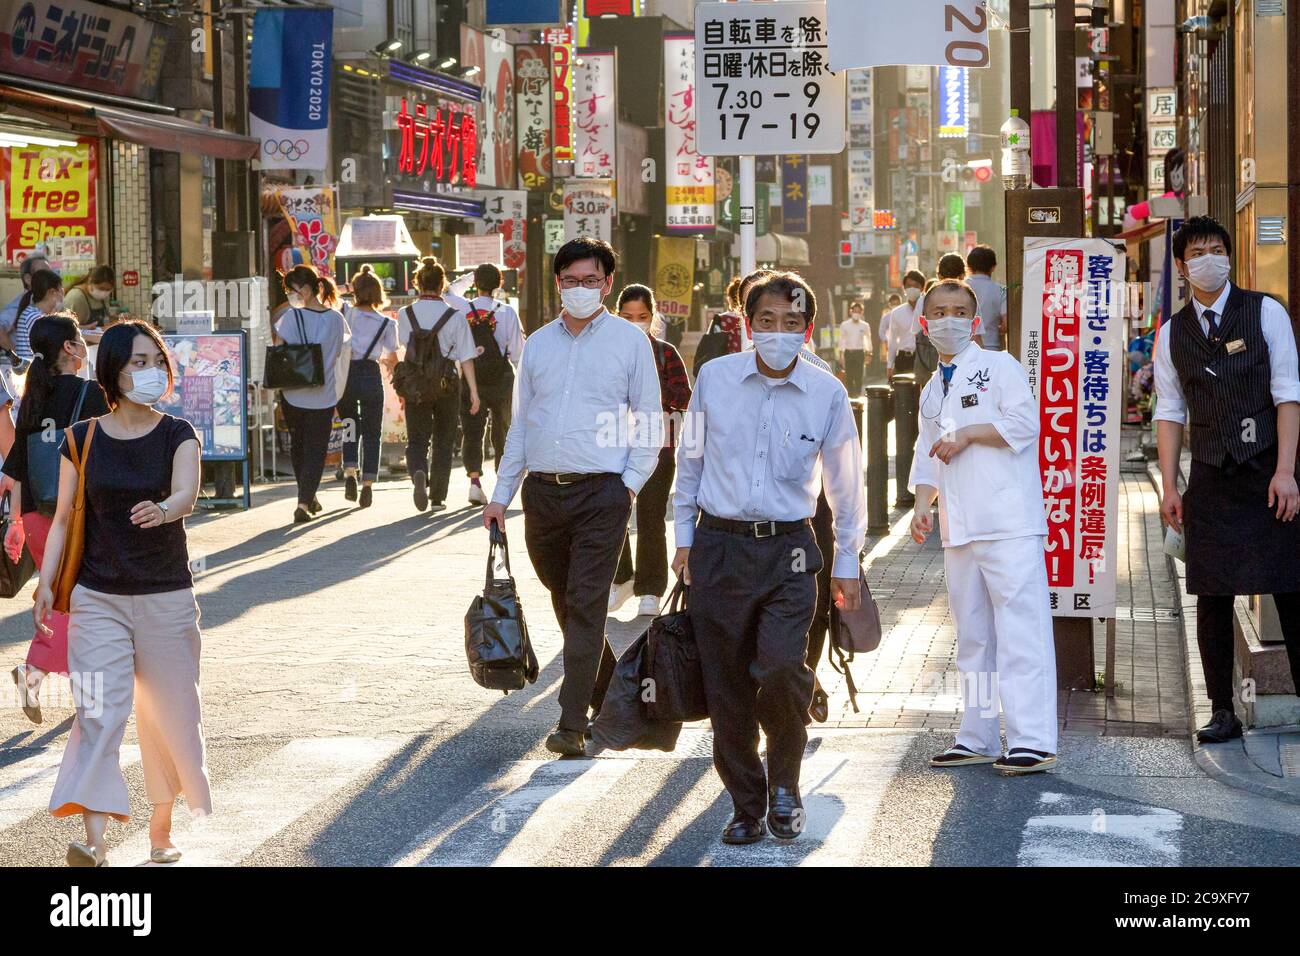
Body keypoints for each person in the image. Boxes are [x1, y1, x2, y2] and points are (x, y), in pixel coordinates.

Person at [672, 271, 866, 845]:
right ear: (747, 324)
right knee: (726, 684)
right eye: (766, 322)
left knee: (783, 670)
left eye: (790, 323)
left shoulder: (827, 392)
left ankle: (785, 782)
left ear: (807, 328)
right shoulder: (714, 378)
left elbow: (846, 487)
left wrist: (848, 564)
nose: (777, 333)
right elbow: (691, 462)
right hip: (718, 546)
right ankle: (747, 804)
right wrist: (683, 536)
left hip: (790, 551)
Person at [32, 319, 210, 866]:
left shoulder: (178, 433)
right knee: (97, 712)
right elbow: (62, 519)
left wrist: (164, 510)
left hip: (166, 598)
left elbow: (188, 492)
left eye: (155, 359)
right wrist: (45, 582)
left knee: (169, 715)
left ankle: (161, 827)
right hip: (96, 599)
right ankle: (94, 841)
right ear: (112, 369)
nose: (150, 370)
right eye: (137, 361)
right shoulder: (80, 438)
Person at [481, 237, 661, 757]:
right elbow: (521, 425)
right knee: (565, 600)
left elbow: (649, 421)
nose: (579, 289)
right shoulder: (537, 344)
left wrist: (628, 484)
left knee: (586, 606)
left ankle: (572, 722)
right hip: (542, 496)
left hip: (602, 493)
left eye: (590, 280)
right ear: (557, 282)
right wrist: (500, 495)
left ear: (606, 283)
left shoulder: (630, 343)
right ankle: (611, 693)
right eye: (569, 280)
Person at [1154, 215, 1300, 744]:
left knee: (1290, 585)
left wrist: (1286, 471)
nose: (1208, 259)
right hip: (1211, 473)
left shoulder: (1265, 312)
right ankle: (1222, 710)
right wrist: (1171, 487)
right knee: (1210, 594)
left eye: (1217, 249)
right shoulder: (1172, 333)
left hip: (1267, 469)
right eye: (1197, 253)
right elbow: (1169, 413)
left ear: (1230, 256)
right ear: (1182, 265)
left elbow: (1287, 393)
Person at [907, 279, 1057, 774]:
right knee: (973, 635)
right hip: (960, 526)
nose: (947, 319)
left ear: (974, 322)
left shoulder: (999, 367)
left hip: (1008, 521)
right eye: (938, 311)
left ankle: (1031, 738)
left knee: (1020, 631)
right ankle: (977, 735)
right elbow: (926, 453)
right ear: (924, 323)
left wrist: (969, 432)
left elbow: (1024, 424)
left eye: (958, 310)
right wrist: (923, 504)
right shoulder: (931, 388)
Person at [5, 315, 110, 723]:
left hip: (34, 514)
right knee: (81, 602)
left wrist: (15, 522)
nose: (84, 346)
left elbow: (16, 465)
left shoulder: (33, 397)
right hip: (75, 514)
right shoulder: (92, 394)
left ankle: (74, 689)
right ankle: (37, 675)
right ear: (68, 348)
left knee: (62, 598)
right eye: (80, 339)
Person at [609, 284, 691, 617]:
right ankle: (622, 578)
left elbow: (684, 396)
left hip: (659, 445)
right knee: (613, 513)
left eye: (642, 316)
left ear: (652, 316)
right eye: (627, 317)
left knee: (651, 515)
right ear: (617, 316)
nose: (635, 322)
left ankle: (650, 589)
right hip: (612, 444)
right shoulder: (607, 351)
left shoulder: (665, 353)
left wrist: (652, 393)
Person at [399, 257, 480, 512]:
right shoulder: (455, 316)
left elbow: (404, 347)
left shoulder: (404, 314)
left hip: (416, 384)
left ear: (418, 283)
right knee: (444, 440)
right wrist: (474, 394)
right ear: (442, 283)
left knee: (416, 439)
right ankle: (437, 498)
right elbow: (466, 357)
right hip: (447, 383)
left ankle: (419, 472)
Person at [275, 264, 351, 524]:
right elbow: (340, 353)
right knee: (316, 449)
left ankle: (305, 495)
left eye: (291, 291)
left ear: (306, 290)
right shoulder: (336, 319)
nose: (289, 296)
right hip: (324, 393)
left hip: (292, 392)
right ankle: (305, 500)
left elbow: (278, 350)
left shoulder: (289, 317)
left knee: (298, 446)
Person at [462, 263, 525, 507]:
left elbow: (448, 293)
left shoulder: (463, 310)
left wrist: (466, 279)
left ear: (476, 283)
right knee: (504, 429)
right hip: (501, 377)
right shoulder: (507, 311)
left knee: (472, 430)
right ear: (499, 284)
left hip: (471, 377)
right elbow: (518, 352)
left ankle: (475, 483)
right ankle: (502, 479)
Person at [338, 266, 398, 509]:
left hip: (348, 374)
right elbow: (392, 356)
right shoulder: (386, 323)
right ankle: (368, 484)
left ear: (355, 290)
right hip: (371, 374)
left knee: (350, 425)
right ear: (377, 292)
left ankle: (350, 470)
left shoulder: (344, 313)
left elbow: (327, 294)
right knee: (373, 432)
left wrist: (346, 287)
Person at [0, 253, 51, 352]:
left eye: (50, 273)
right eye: (43, 274)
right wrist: (19, 357)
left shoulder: (46, 302)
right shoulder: (21, 304)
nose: (50, 278)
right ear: (28, 279)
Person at [14, 270, 66, 362]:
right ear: (52, 292)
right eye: (61, 288)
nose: (63, 293)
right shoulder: (35, 317)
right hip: (34, 371)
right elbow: (53, 346)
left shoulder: (36, 314)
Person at [885, 270, 926, 378]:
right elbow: (892, 340)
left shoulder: (929, 310)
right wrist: (890, 364)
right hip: (903, 358)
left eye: (916, 286)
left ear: (922, 288)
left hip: (923, 357)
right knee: (903, 393)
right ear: (904, 289)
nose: (912, 288)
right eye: (909, 286)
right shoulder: (897, 313)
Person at [966, 245, 1008, 352]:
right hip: (992, 348)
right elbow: (1006, 325)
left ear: (969, 266)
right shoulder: (1001, 290)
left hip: (964, 348)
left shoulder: (961, 287)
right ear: (993, 267)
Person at [63, 266, 115, 340]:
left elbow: (105, 319)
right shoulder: (76, 297)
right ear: (90, 282)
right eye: (101, 288)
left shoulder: (104, 297)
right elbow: (66, 328)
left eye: (108, 290)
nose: (104, 292)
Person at [837, 300, 872, 396]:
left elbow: (868, 340)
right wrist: (841, 355)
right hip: (848, 352)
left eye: (858, 311)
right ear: (850, 311)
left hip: (859, 353)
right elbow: (842, 340)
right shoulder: (845, 325)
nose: (856, 313)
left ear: (861, 313)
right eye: (854, 311)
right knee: (849, 374)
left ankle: (857, 393)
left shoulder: (865, 326)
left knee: (858, 375)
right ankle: (850, 394)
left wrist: (869, 354)